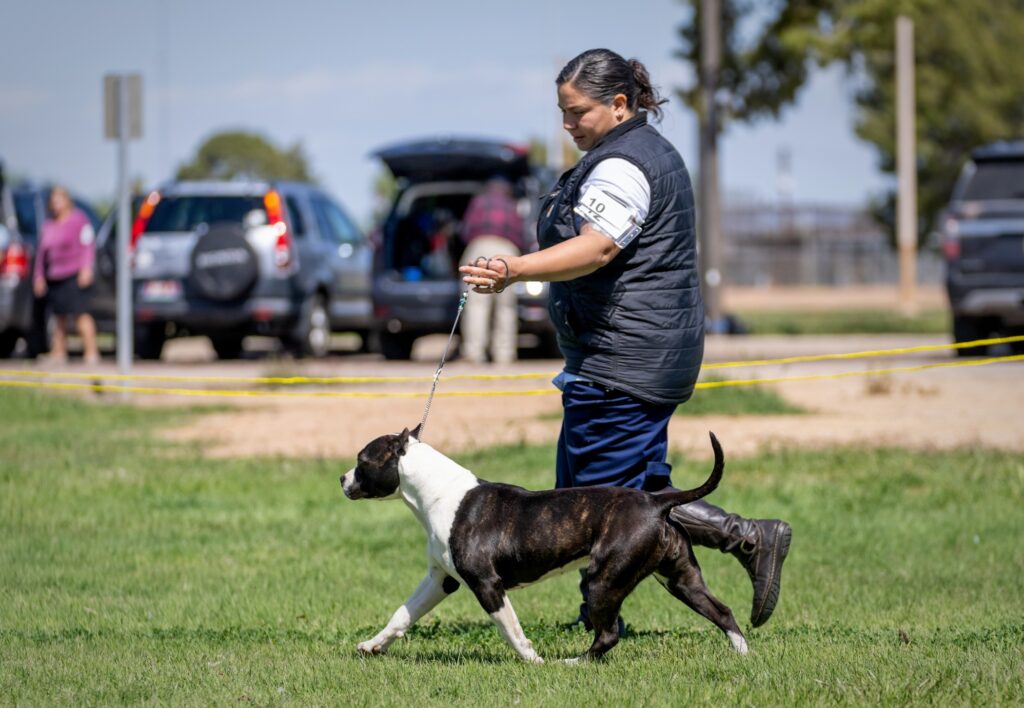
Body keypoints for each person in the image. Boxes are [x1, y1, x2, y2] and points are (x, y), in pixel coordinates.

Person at [460, 48, 791, 630]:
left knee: (593, 507)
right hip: (632, 352)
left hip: (625, 360)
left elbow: (598, 247)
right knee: (636, 497)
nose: (566, 125)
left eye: (577, 112)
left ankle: (600, 624)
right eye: (560, 112)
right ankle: (748, 540)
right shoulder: (631, 153)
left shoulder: (623, 165)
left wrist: (513, 270)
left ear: (618, 105)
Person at [458, 177, 525, 364]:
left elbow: (465, 231)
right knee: (506, 306)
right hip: (507, 250)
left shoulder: (478, 202)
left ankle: (474, 353)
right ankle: (504, 355)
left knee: (477, 304)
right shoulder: (513, 205)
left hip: (480, 246)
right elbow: (521, 234)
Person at [32, 186, 100, 365]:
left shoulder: (79, 220)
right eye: (53, 200)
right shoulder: (48, 225)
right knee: (58, 318)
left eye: (59, 199)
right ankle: (58, 353)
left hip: (74, 274)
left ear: (67, 200)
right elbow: (41, 255)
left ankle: (91, 353)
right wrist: (38, 276)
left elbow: (88, 245)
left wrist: (87, 268)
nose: (56, 203)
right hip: (55, 275)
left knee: (81, 315)